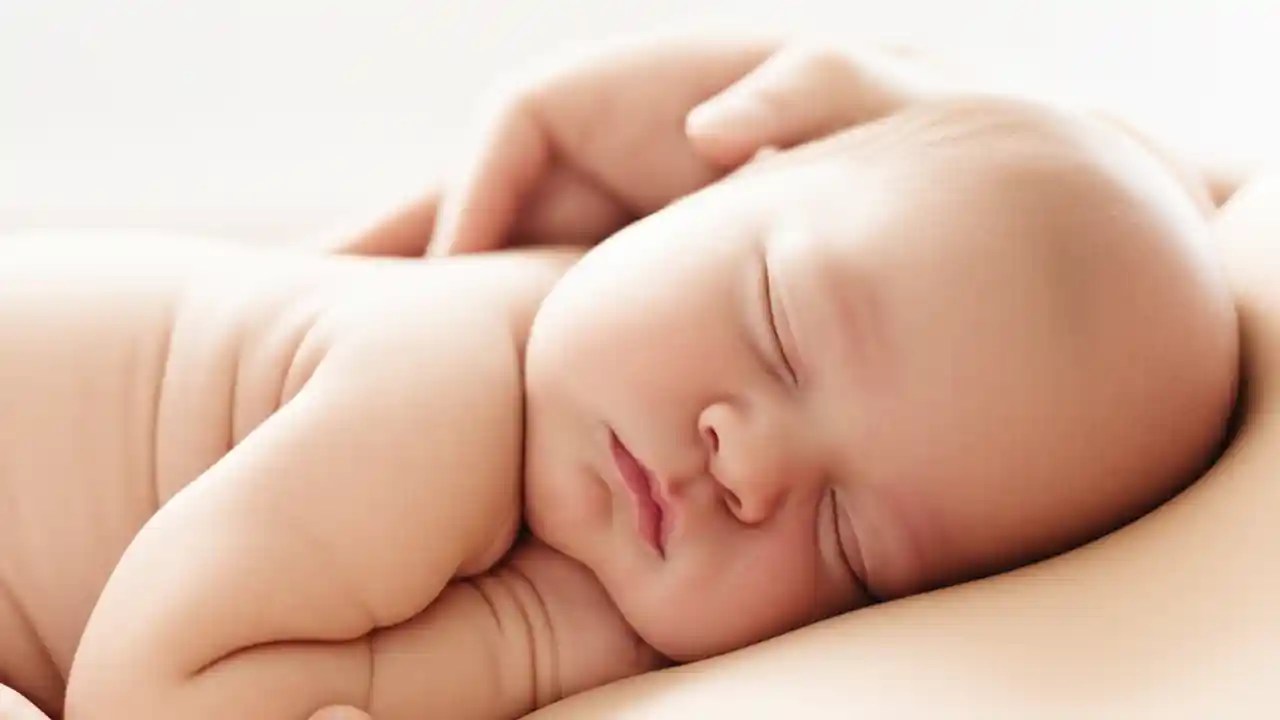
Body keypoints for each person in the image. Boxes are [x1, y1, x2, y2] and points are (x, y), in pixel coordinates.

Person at [0, 44, 1239, 720]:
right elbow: (147, 700)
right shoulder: (441, 389)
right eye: (782, 328)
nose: (748, 467)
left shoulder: (587, 396)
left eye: (851, 544)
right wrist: (530, 646)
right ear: (719, 173)